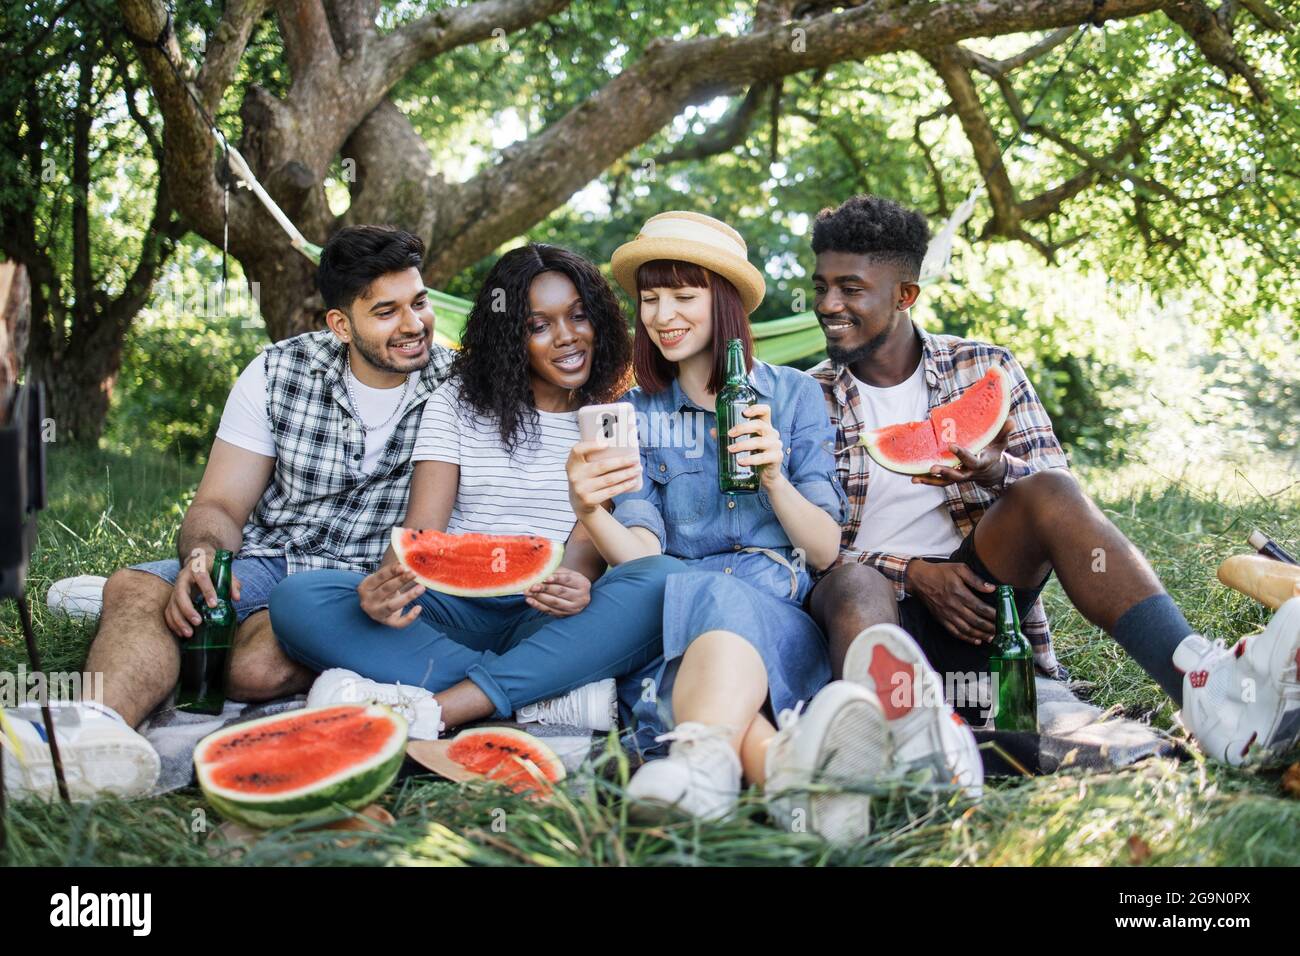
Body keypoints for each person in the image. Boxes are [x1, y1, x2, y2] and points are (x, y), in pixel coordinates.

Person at [806, 194, 1300, 766]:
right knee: (854, 584)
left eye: (850, 288)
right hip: (865, 616)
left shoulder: (983, 368)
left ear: (905, 295)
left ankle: (1202, 681)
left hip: (983, 607)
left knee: (1050, 491)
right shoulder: (803, 396)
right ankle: (888, 750)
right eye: (820, 287)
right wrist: (912, 573)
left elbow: (1054, 486)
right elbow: (801, 545)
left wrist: (996, 470)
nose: (828, 304)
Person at [566, 211, 982, 845]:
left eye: (684, 294)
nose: (662, 314)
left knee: (717, 616)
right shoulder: (634, 412)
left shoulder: (792, 396)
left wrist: (774, 478)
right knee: (700, 595)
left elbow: (823, 550)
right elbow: (643, 556)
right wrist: (591, 511)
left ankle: (711, 769)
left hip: (777, 611)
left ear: (724, 303)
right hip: (674, 612)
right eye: (649, 298)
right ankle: (812, 792)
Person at [1, 225, 457, 801]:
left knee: (254, 669)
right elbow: (219, 504)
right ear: (341, 325)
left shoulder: (458, 386)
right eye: (387, 311)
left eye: (418, 302)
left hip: (356, 582)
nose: (414, 324)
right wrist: (203, 558)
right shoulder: (277, 371)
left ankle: (159, 641)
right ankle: (89, 734)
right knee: (139, 590)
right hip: (267, 557)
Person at [269, 244, 682, 735]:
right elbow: (421, 536)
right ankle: (535, 690)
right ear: (510, 335)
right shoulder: (456, 404)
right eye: (538, 326)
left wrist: (576, 587)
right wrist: (384, 591)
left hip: (546, 616)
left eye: (578, 316)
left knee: (660, 582)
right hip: (450, 608)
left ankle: (446, 704)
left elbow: (580, 562)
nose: (567, 338)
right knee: (298, 599)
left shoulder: (613, 418)